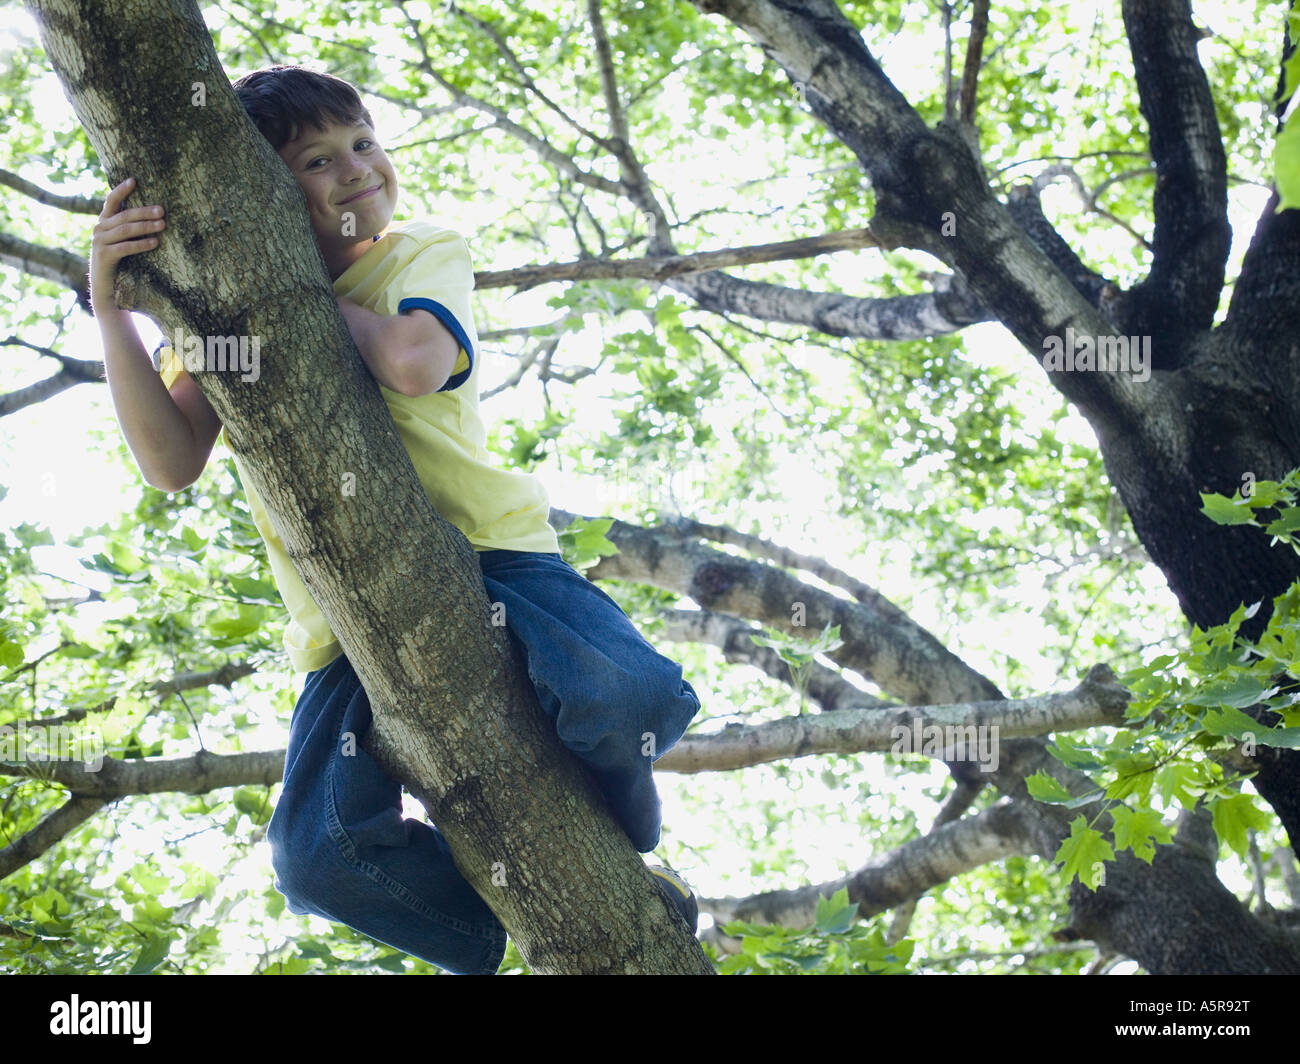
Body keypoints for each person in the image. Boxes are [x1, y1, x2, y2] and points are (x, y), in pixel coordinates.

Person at [90, 65, 701, 975]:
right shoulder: (223, 320)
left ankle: (622, 807)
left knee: (630, 694)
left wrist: (298, 304)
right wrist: (113, 312)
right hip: (342, 630)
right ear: (262, 193)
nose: (357, 169)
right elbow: (172, 462)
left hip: (497, 557)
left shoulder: (419, 252)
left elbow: (415, 362)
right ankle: (478, 923)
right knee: (316, 860)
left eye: (364, 143)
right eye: (317, 159)